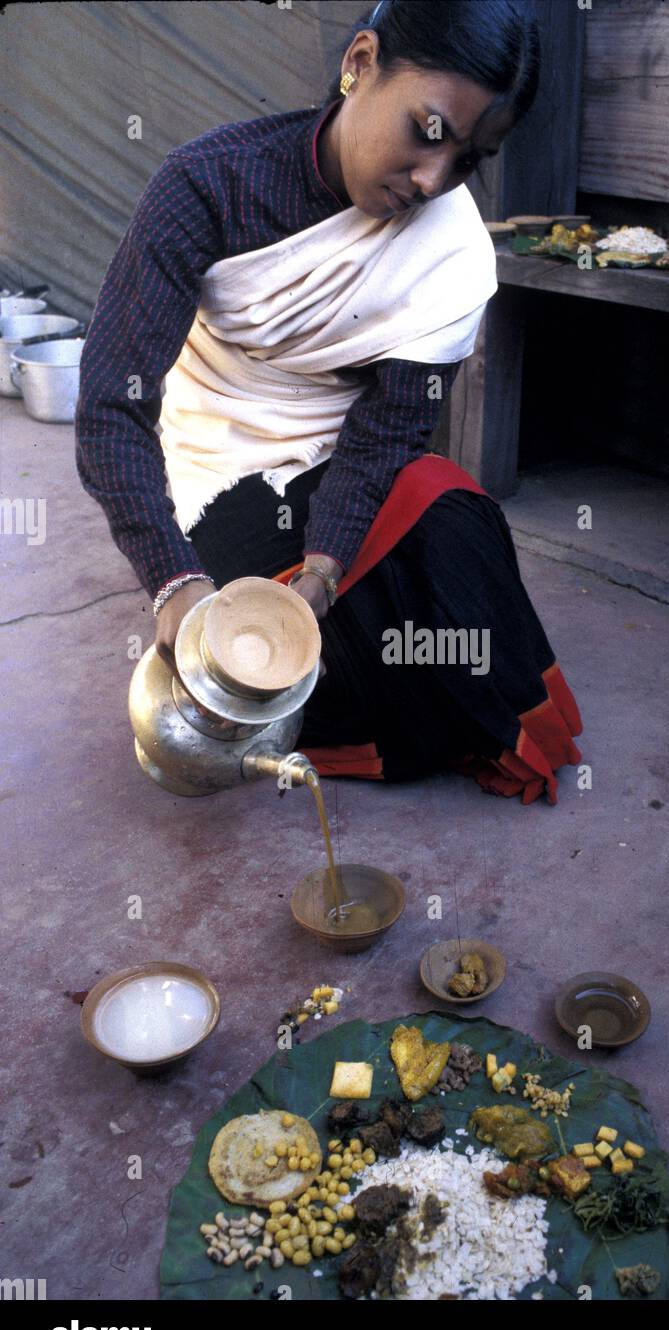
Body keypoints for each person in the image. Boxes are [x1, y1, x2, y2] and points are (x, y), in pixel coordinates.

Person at [76, 0, 582, 804]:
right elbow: (110, 405)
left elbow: (384, 439)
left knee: (458, 535)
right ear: (359, 63)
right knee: (262, 657)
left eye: (467, 160)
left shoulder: (448, 249)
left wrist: (323, 571)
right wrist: (174, 582)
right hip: (219, 458)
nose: (432, 180)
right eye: (427, 130)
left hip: (335, 450)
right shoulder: (206, 185)